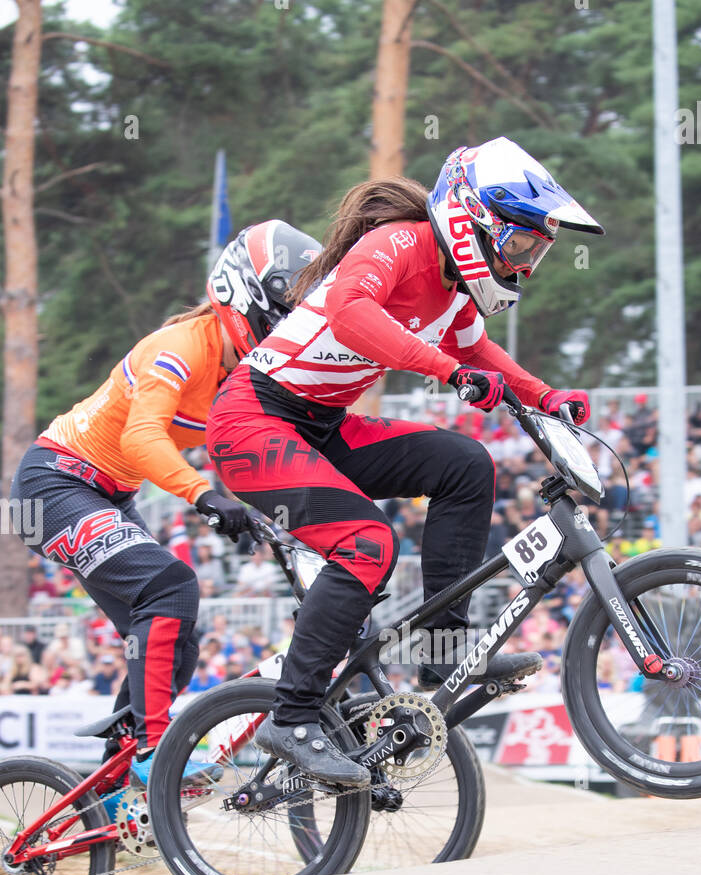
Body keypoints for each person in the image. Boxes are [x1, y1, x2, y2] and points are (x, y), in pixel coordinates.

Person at [206, 137, 603, 786]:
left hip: (320, 428)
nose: (526, 265)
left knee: (466, 464)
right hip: (252, 424)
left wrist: (547, 396)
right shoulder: (400, 242)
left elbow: (481, 356)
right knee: (365, 544)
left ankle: (444, 657)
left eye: (537, 250)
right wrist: (444, 371)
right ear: (472, 220)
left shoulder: (452, 291)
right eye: (521, 244)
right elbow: (349, 311)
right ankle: (292, 715)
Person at [10, 219, 320, 799]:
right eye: (284, 311)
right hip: (53, 485)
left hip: (106, 494)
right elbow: (141, 438)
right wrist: (205, 497)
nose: (289, 327)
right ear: (245, 296)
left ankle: (111, 793)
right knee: (170, 587)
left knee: (174, 642)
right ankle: (157, 754)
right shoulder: (179, 348)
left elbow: (271, 452)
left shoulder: (245, 375)